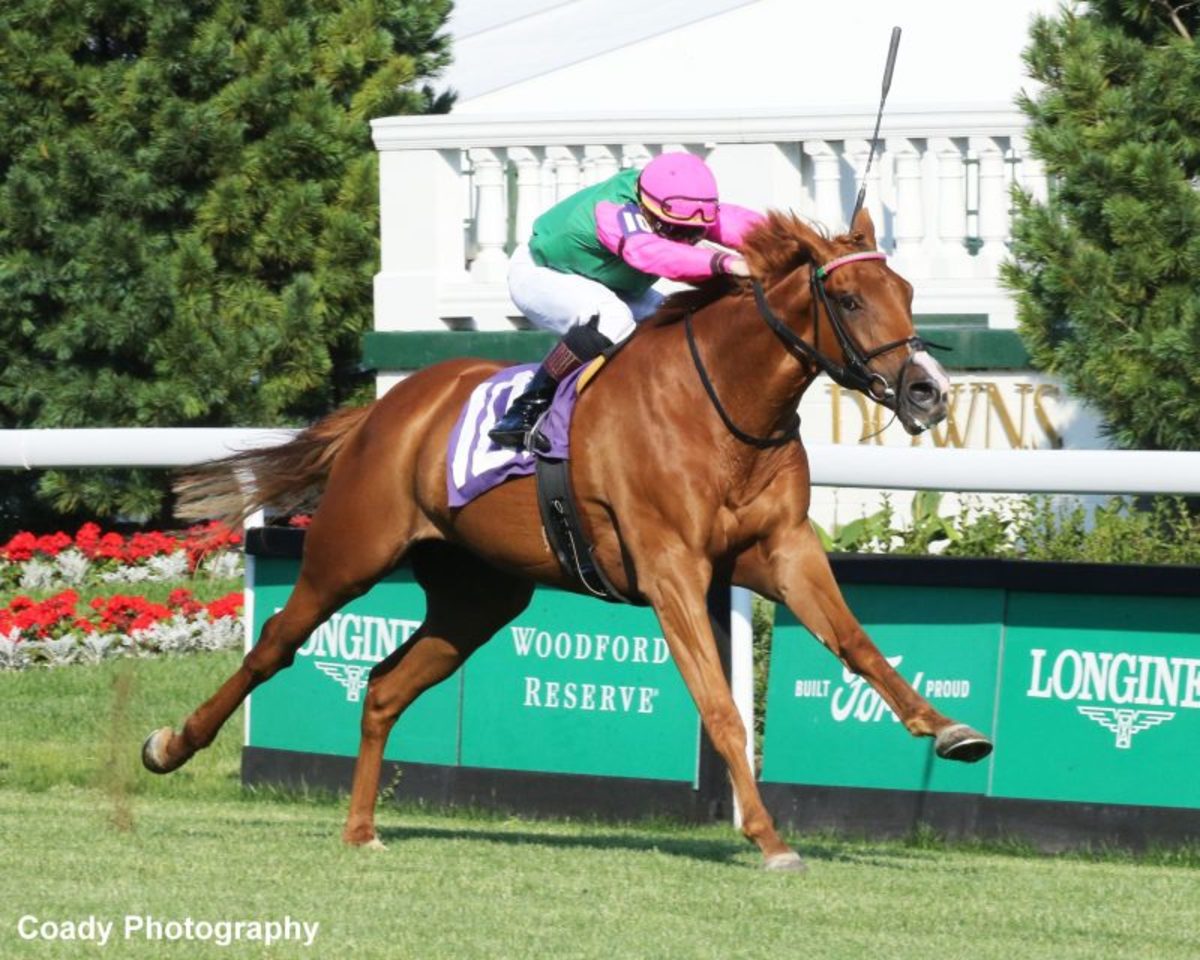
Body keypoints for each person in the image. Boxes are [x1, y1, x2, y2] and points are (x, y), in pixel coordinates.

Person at [488, 151, 763, 450]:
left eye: (693, 233)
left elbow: (753, 229)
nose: (683, 240)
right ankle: (525, 409)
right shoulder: (615, 209)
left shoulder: (681, 203)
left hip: (611, 284)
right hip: (543, 273)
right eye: (673, 230)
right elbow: (647, 252)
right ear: (647, 209)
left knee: (681, 320)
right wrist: (726, 263)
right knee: (612, 318)